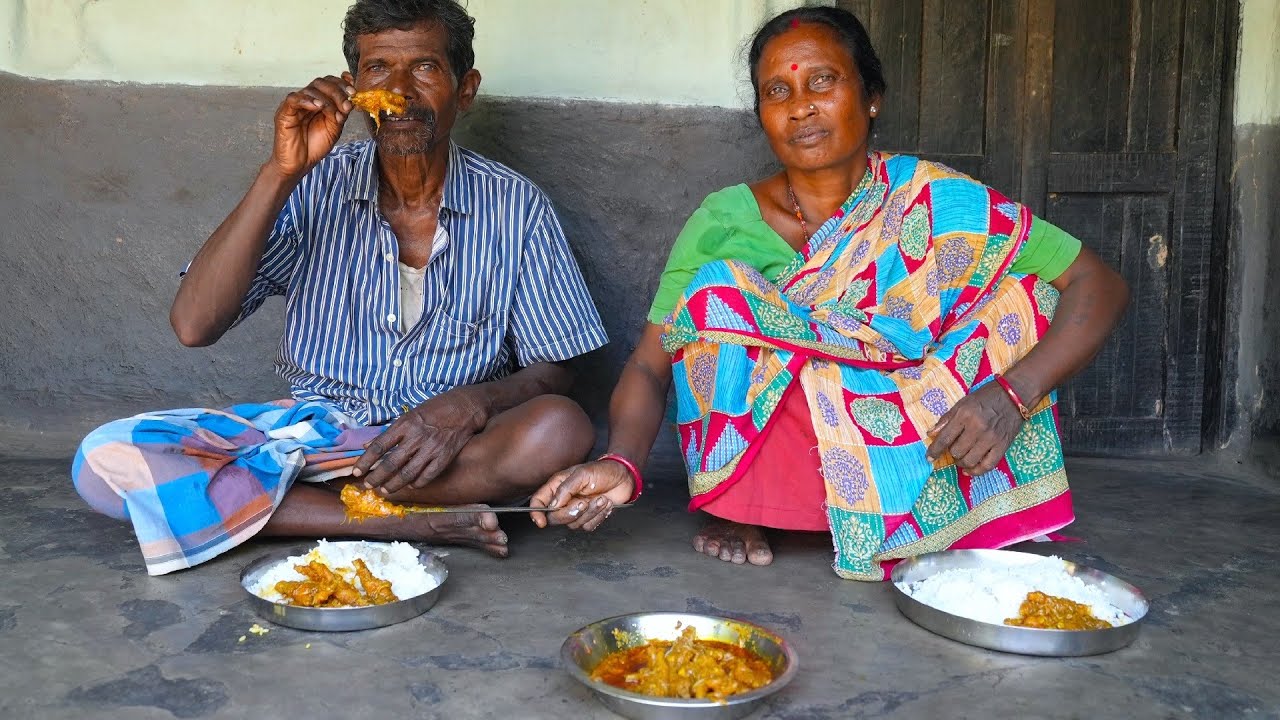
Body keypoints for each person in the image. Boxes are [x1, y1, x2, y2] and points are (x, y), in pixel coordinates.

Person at [529, 6, 1129, 581]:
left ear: (871, 97)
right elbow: (648, 366)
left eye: (823, 81)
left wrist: (1009, 396)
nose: (800, 108)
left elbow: (1096, 284)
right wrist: (623, 462)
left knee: (1023, 295)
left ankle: (932, 513)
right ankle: (744, 508)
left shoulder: (936, 200)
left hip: (914, 444)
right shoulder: (724, 221)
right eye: (777, 92)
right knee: (720, 295)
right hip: (772, 467)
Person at [72, 0, 607, 575]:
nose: (399, 91)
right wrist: (281, 172)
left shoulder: (515, 207)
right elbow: (194, 324)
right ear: (354, 88)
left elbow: (557, 368)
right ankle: (394, 522)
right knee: (104, 460)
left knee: (561, 426)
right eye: (379, 70)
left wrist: (468, 405)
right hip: (311, 442)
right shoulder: (313, 185)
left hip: (441, 451)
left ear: (465, 89)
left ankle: (282, 510)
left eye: (424, 68)